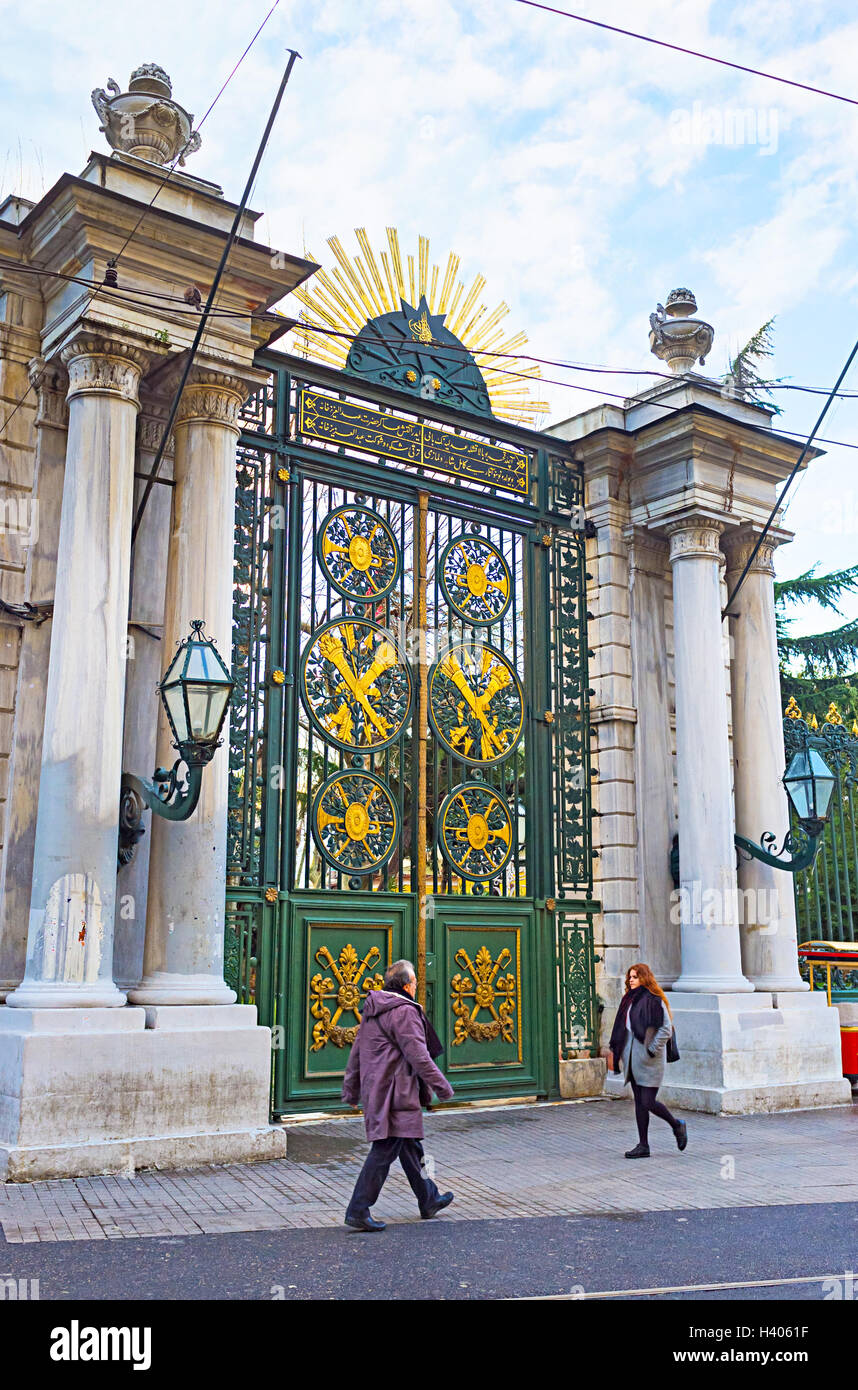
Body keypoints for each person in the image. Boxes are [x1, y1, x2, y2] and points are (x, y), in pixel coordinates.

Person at [341, 959, 455, 1232]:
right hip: (396, 1093)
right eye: (415, 982)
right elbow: (419, 1056)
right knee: (384, 1149)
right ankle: (358, 1208)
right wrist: (443, 1087)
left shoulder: (374, 1008)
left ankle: (429, 1197)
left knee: (412, 1148)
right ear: (407, 985)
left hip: (382, 1090)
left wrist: (351, 1088)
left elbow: (357, 1051)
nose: (416, 987)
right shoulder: (403, 1011)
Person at [606, 962, 688, 1159]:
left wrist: (651, 1049)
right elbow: (623, 1030)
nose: (631, 980)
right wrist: (617, 1052)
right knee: (639, 1104)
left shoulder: (654, 1000)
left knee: (648, 1101)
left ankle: (677, 1125)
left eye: (635, 976)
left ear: (644, 978)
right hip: (632, 1060)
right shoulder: (628, 1001)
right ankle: (643, 1145)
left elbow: (666, 1030)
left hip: (650, 1061)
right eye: (630, 977)